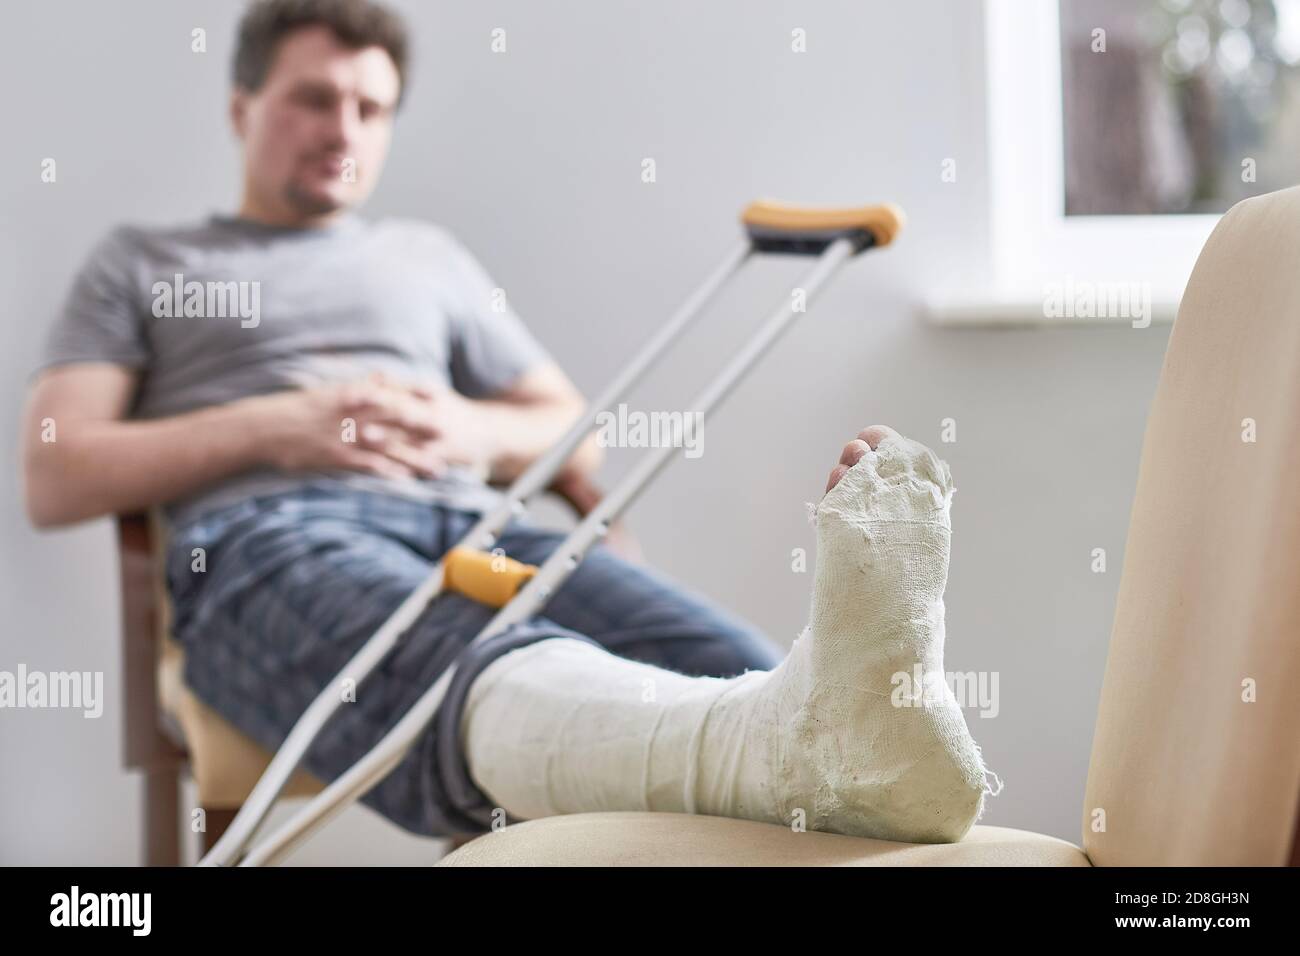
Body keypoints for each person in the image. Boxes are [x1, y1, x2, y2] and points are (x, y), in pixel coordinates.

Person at [22, 0, 992, 845]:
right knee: (468, 665)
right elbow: (56, 469)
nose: (343, 128)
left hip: (480, 527)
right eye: (313, 99)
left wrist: (465, 429)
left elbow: (571, 427)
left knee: (739, 667)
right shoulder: (146, 261)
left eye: (370, 108)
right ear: (243, 108)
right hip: (273, 536)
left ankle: (850, 745)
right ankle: (755, 748)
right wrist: (281, 424)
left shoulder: (424, 258)